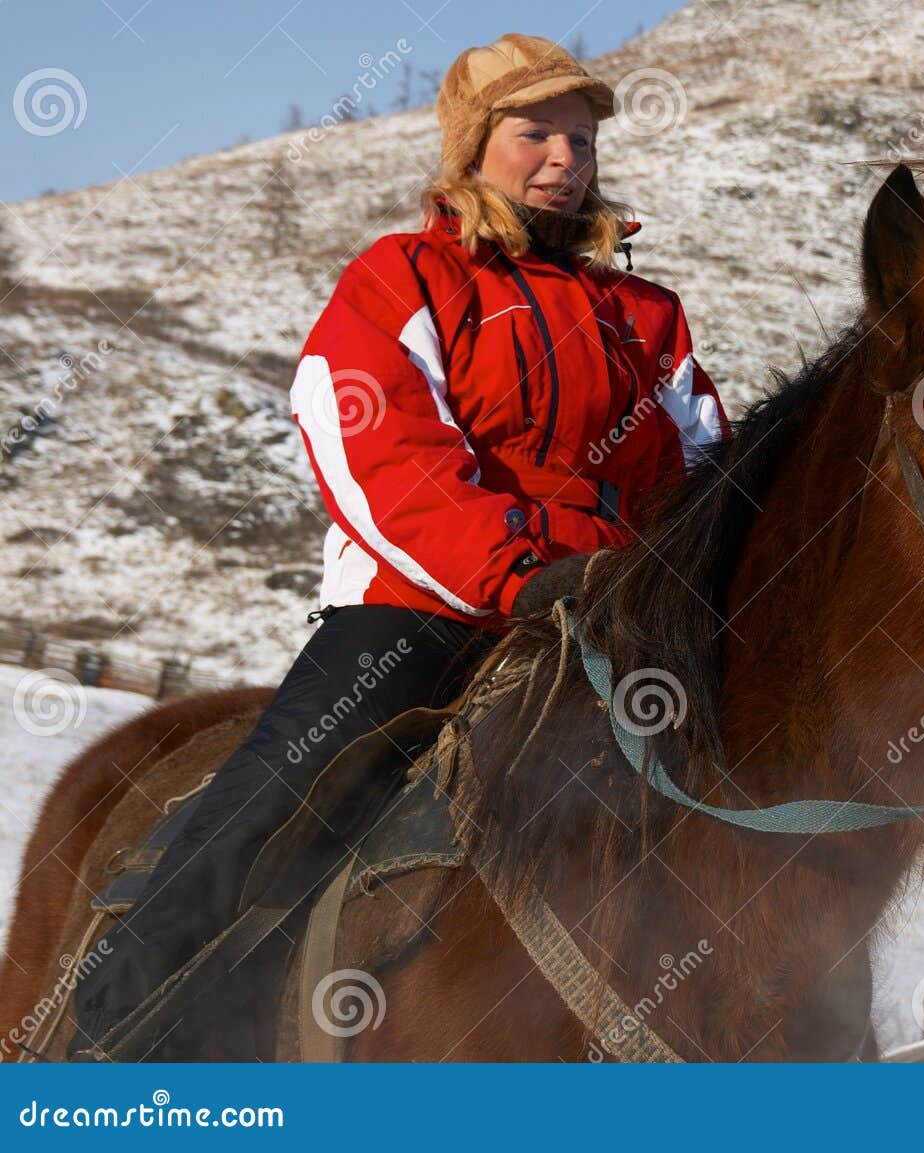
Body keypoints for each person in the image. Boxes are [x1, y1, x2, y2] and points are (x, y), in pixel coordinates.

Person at [71, 33, 728, 1055]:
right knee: (291, 781)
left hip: (608, 606)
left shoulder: (645, 314)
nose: (564, 158)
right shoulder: (403, 277)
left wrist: (660, 579)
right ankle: (119, 1028)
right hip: (423, 608)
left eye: (581, 138)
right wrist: (517, 571)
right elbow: (379, 452)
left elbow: (701, 473)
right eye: (535, 134)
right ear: (473, 149)